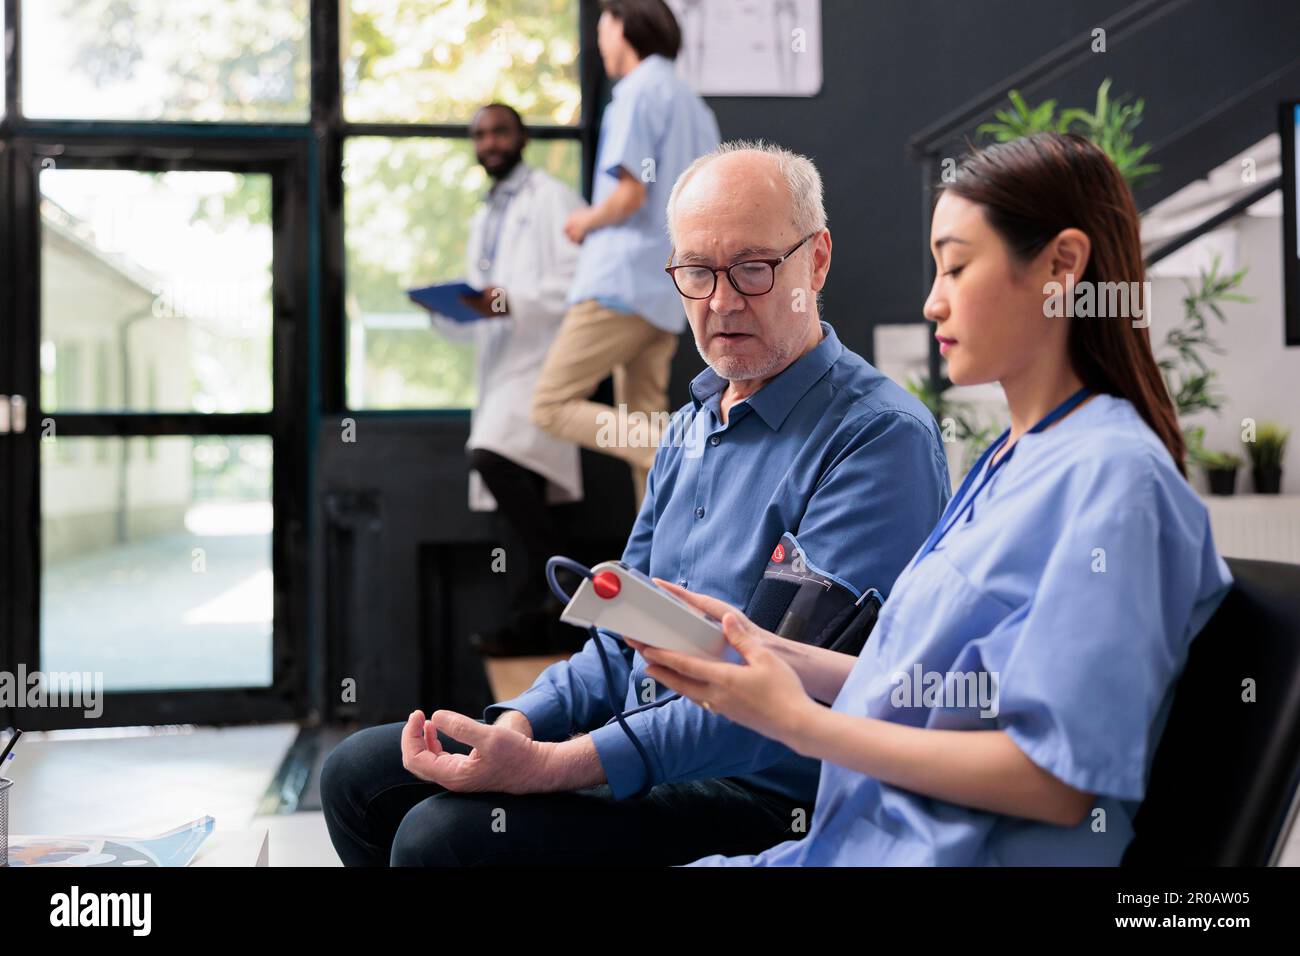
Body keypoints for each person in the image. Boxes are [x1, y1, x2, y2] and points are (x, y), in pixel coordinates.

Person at [320, 142, 951, 867]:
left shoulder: (875, 439)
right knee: (359, 776)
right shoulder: (689, 427)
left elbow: (766, 706)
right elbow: (623, 633)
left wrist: (559, 766)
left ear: (817, 261)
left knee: (442, 839)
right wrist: (524, 722)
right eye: (696, 272)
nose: (719, 301)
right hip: (650, 745)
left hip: (767, 794)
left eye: (752, 268)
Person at [632, 132, 1235, 866]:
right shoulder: (1011, 462)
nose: (932, 300)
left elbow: (1056, 782)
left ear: (1061, 267)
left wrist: (800, 723)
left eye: (955, 266)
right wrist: (771, 653)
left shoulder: (1116, 482)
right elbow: (949, 690)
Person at [531, 0, 720, 510]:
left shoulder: (636, 93)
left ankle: (682, 447)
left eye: (602, 28)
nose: (598, 41)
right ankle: (660, 572)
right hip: (672, 286)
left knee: (550, 403)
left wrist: (583, 220)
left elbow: (630, 194)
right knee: (643, 421)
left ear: (624, 27)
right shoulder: (694, 106)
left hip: (622, 282)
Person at [420, 103, 586, 657]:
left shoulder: (551, 198)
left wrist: (507, 300)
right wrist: (447, 309)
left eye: (499, 132)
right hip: (499, 368)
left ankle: (573, 592)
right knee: (512, 510)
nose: (489, 143)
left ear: (522, 138)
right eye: (480, 135)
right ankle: (536, 622)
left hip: (543, 365)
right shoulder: (485, 215)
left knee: (492, 456)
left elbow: (579, 285)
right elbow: (481, 306)